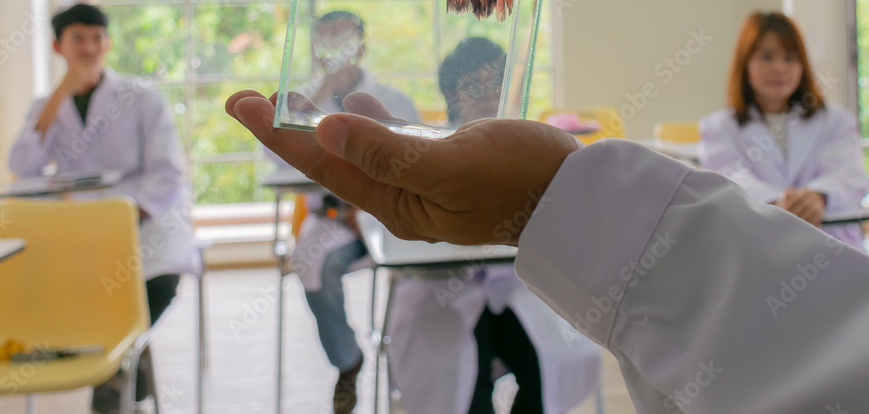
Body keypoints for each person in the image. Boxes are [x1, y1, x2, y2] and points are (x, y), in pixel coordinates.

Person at [224, 89, 869, 412]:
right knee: (320, 264)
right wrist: (550, 192)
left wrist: (547, 192)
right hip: (394, 248)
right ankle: (347, 361)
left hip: (519, 269)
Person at [385, 38, 600, 414]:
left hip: (514, 289)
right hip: (442, 292)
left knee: (550, 365)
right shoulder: (428, 150)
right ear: (452, 91)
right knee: (465, 381)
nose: (487, 95)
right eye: (474, 85)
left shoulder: (526, 149)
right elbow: (404, 237)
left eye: (495, 83)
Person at [8, 3, 200, 414]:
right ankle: (128, 356)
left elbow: (167, 174)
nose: (90, 48)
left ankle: (116, 366)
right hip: (81, 223)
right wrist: (60, 94)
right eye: (79, 38)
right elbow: (23, 167)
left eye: (98, 38)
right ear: (59, 46)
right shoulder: (48, 104)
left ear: (108, 43)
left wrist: (125, 216)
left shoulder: (142, 98)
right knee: (67, 284)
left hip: (143, 218)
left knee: (159, 282)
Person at [274, 10, 419, 414]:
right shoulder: (299, 105)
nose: (337, 51)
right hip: (332, 222)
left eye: (345, 40)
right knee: (310, 262)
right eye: (327, 42)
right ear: (316, 52)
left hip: (384, 216)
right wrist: (317, 96)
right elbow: (278, 169)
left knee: (414, 278)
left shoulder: (394, 101)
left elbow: (421, 163)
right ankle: (347, 361)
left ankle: (408, 367)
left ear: (362, 47)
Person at [699, 11, 869, 250]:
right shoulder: (718, 127)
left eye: (790, 58)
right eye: (766, 57)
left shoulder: (836, 120)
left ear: (803, 65)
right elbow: (728, 179)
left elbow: (849, 175)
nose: (779, 68)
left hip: (833, 246)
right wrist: (779, 202)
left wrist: (819, 195)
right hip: (758, 246)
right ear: (745, 62)